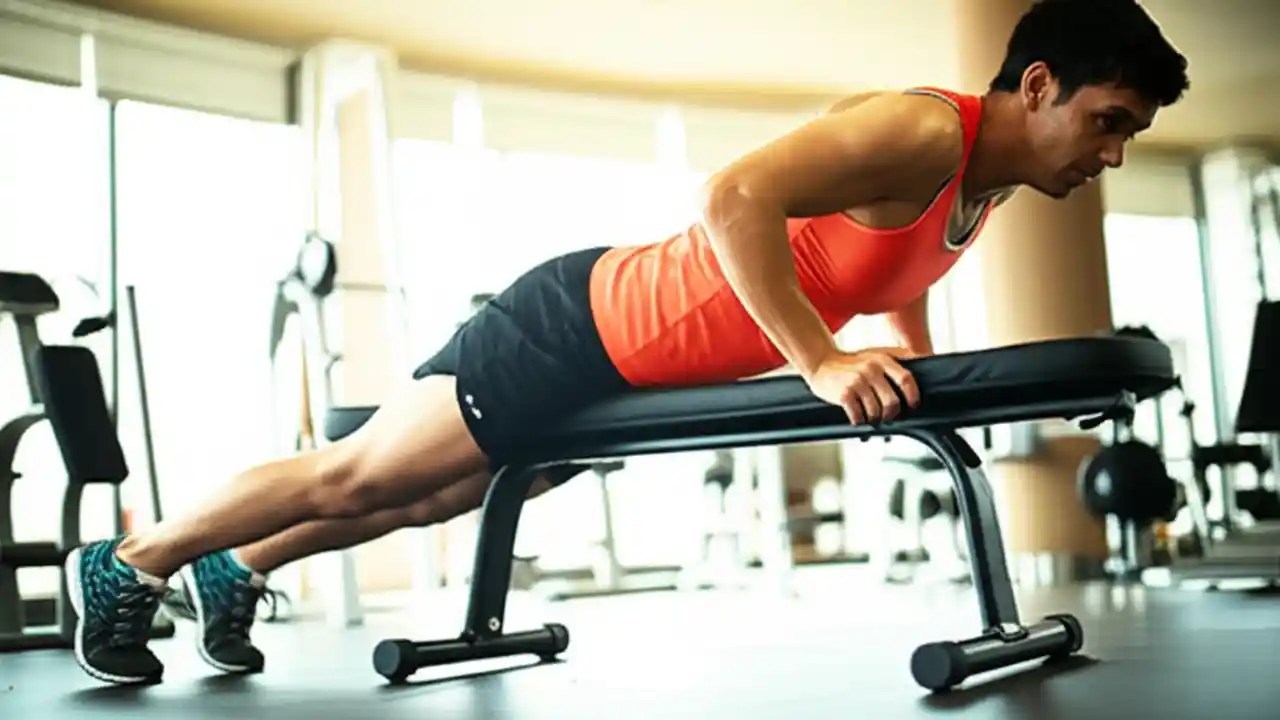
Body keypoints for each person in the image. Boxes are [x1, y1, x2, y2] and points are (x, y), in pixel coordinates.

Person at [66, 0, 1188, 685]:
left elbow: (878, 277)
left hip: (620, 363)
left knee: (426, 502)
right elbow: (732, 194)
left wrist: (914, 365)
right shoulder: (919, 128)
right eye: (1108, 122)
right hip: (579, 324)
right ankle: (129, 563)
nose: (1114, 154)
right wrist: (817, 361)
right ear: (1036, 85)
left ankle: (236, 563)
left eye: (1131, 135)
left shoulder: (977, 189)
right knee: (359, 470)